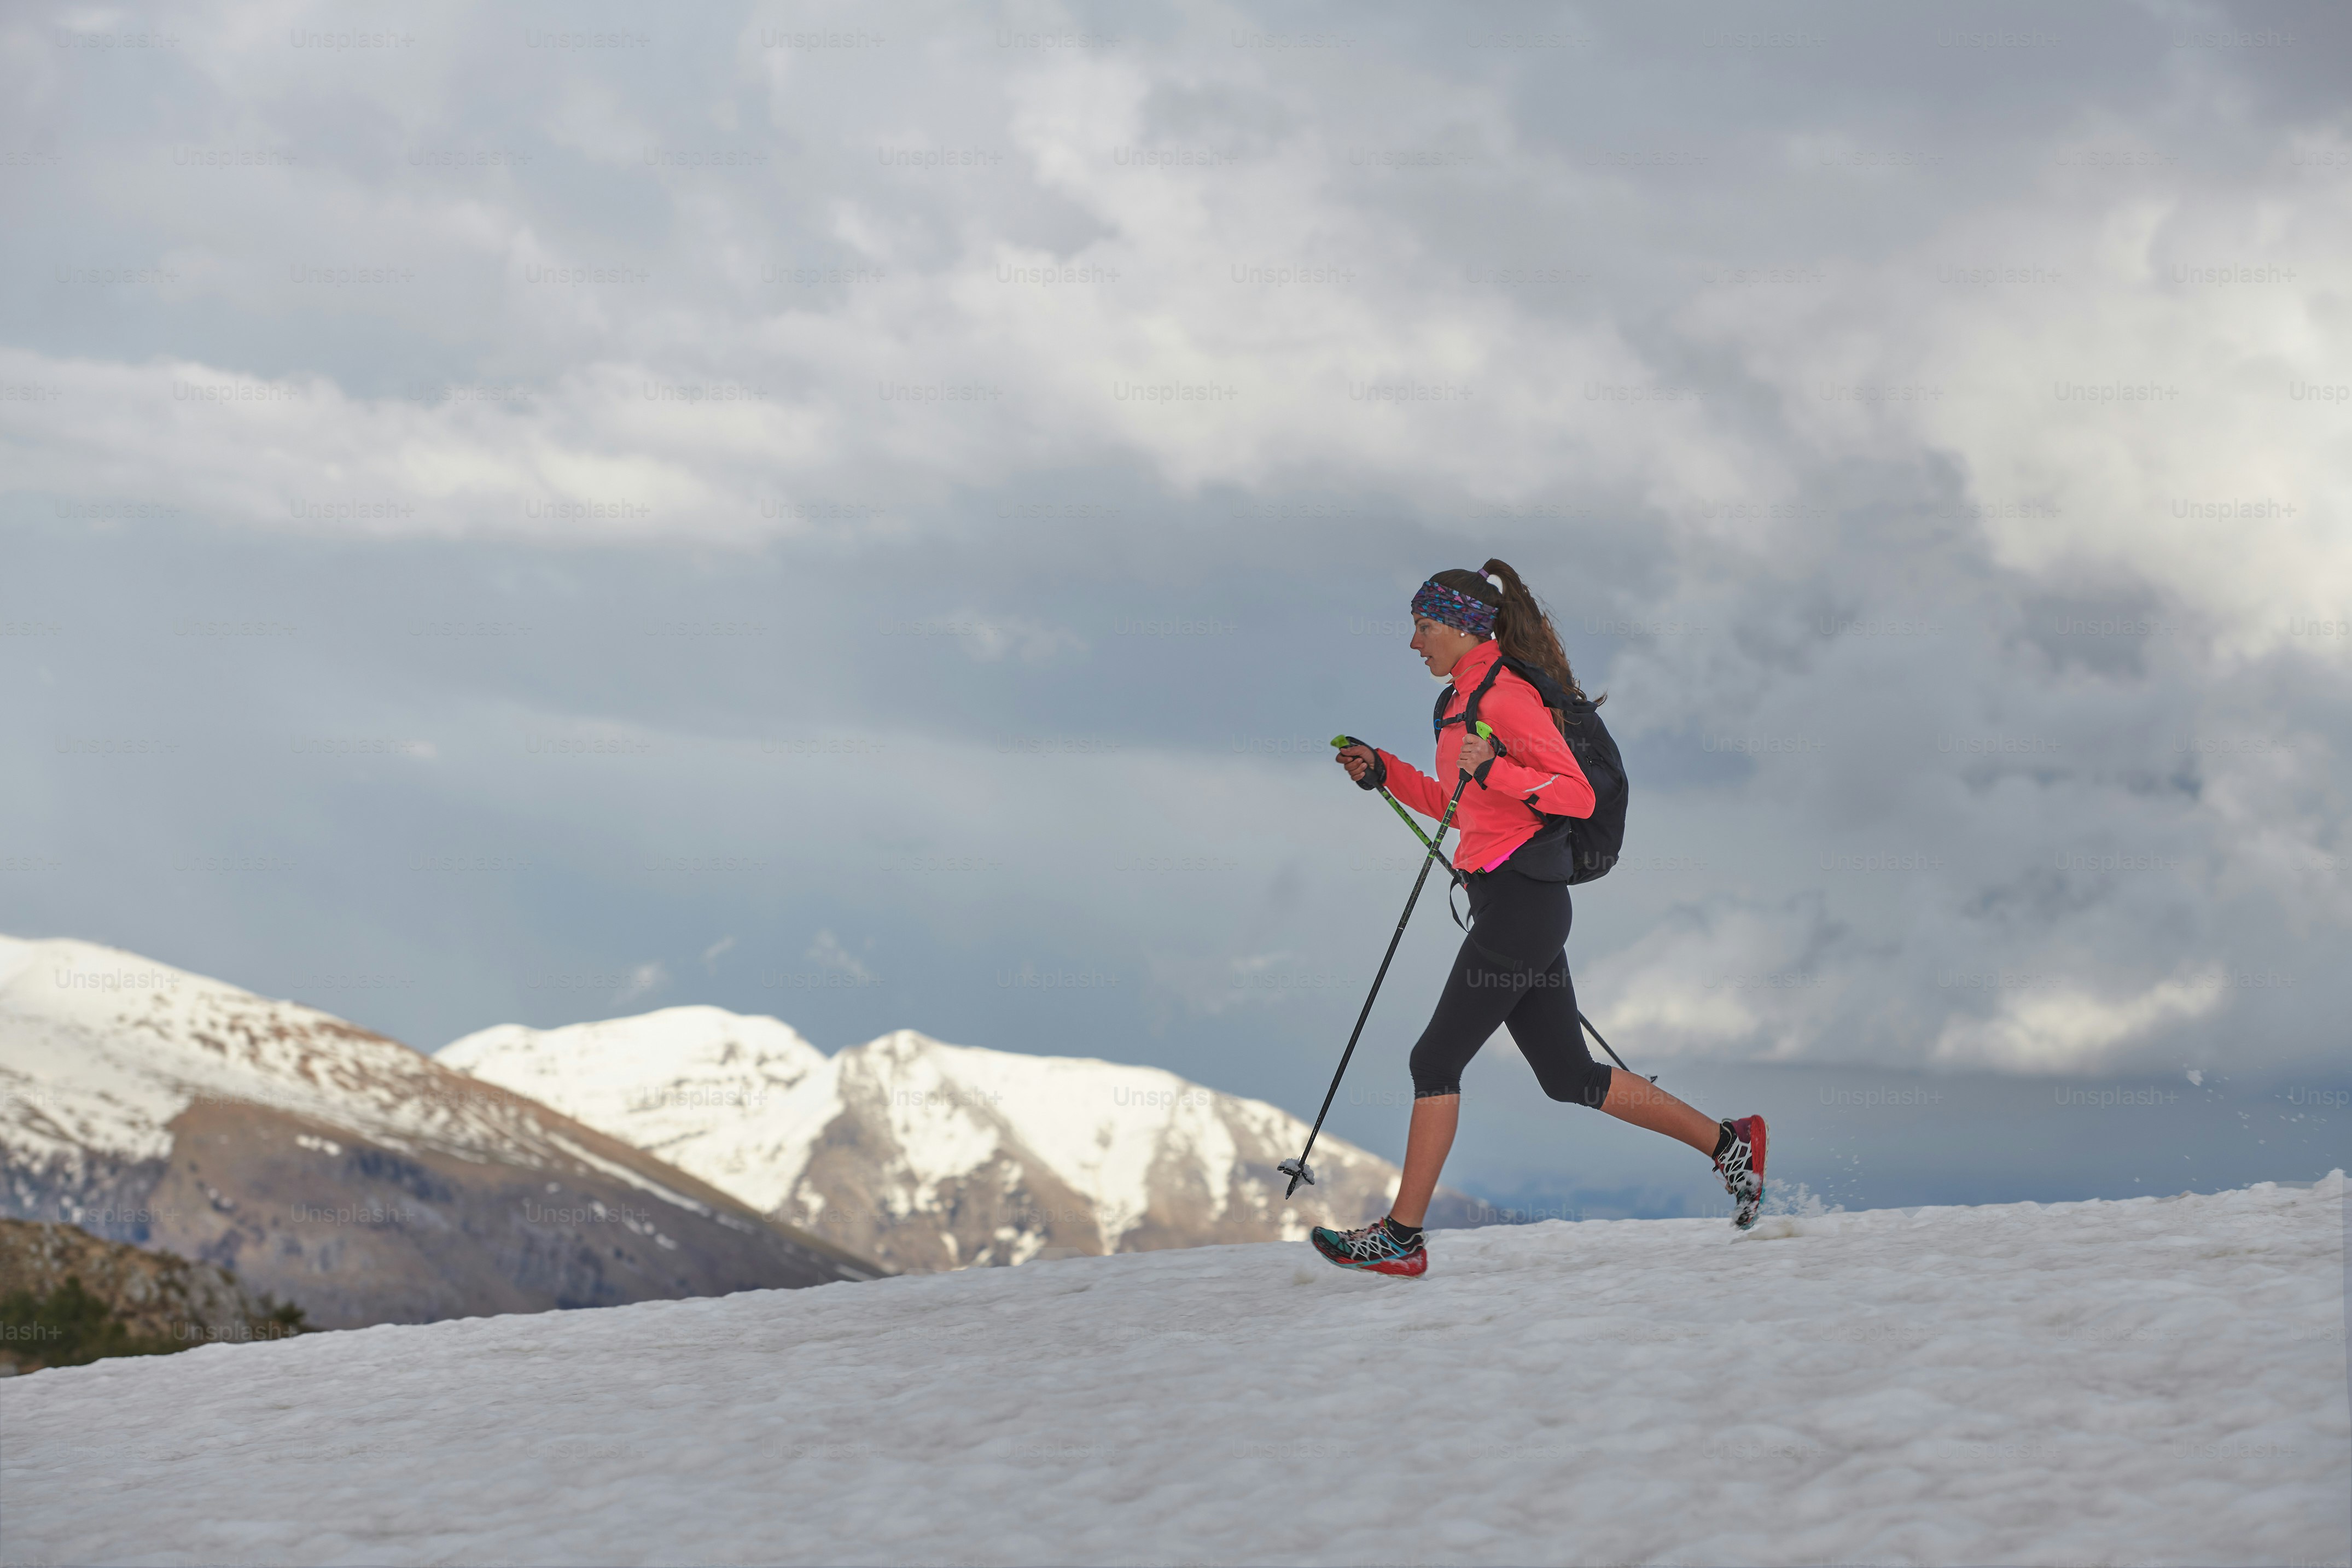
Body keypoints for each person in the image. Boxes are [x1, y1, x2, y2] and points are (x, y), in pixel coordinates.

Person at [1314, 560, 1766, 1276]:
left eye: (1423, 627)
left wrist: (1494, 766)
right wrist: (1386, 773)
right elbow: (1463, 804)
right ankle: (1729, 1144)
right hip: (1507, 901)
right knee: (1569, 1076)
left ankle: (1402, 1237)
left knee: (1434, 1060)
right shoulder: (1460, 700)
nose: (1413, 643)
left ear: (1463, 628)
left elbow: (1575, 796)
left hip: (1525, 904)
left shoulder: (1508, 696)